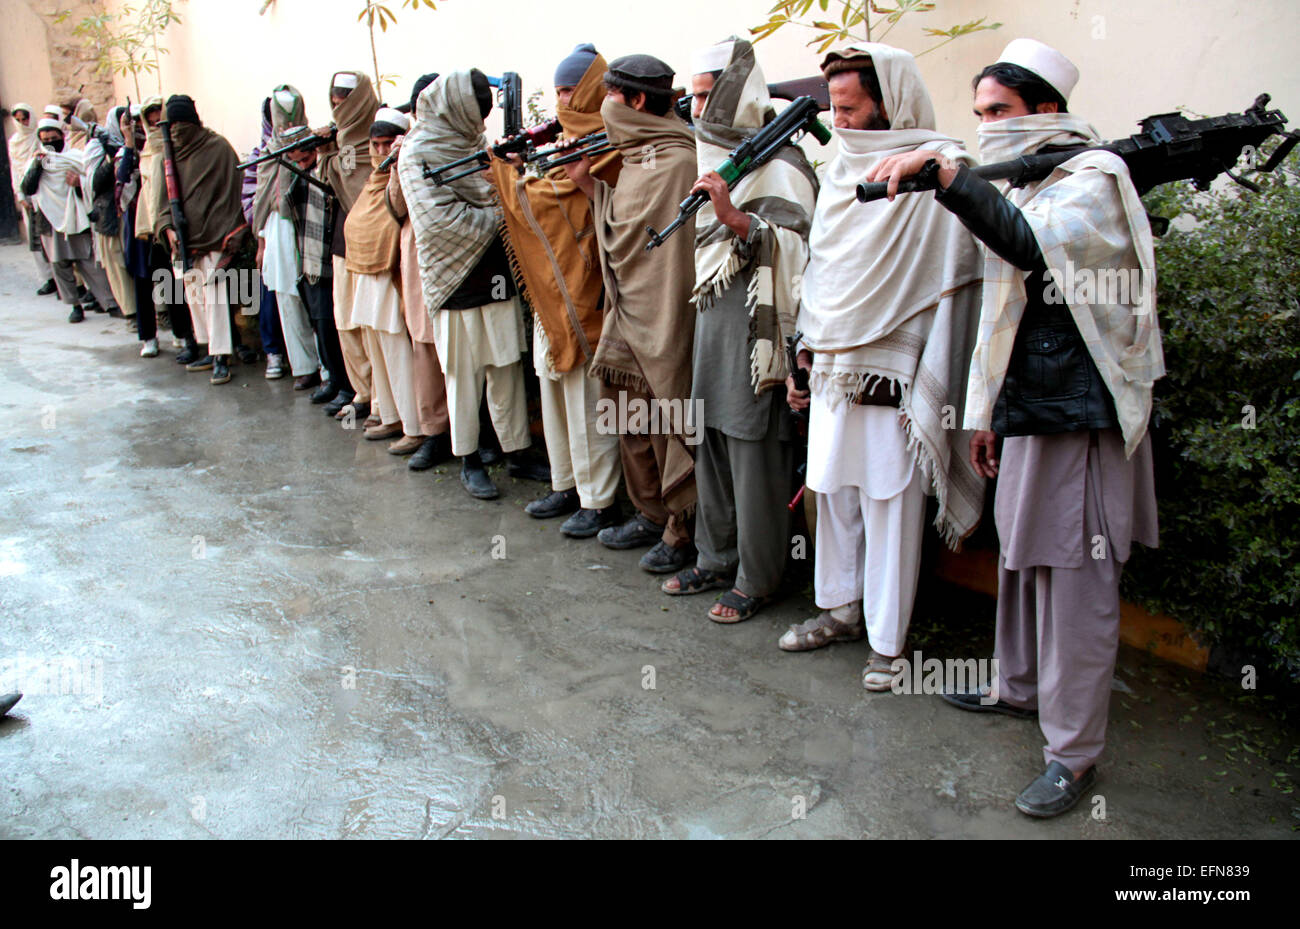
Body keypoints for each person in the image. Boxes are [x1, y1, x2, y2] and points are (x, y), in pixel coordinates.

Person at [876, 39, 1163, 818]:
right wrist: (987, 413)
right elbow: (1004, 315)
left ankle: (1073, 755)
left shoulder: (1095, 180)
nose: (988, 128)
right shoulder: (1036, 181)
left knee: (1075, 582)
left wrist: (945, 177)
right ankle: (1019, 686)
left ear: (1047, 111)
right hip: (1031, 407)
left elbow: (1030, 250)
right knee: (1022, 557)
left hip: (1083, 411)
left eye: (999, 113)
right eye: (978, 117)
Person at [778, 44, 986, 694]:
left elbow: (957, 274)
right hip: (834, 363)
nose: (837, 122)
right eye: (832, 107)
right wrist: (804, 348)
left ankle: (888, 645)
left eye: (849, 108)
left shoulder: (939, 166)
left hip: (897, 372)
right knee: (834, 495)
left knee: (890, 504)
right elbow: (824, 266)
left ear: (887, 105)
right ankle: (837, 608)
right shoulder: (840, 170)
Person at [657, 37, 815, 621]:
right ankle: (714, 556)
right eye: (693, 98)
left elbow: (797, 249)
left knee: (754, 456)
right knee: (714, 442)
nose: (698, 109)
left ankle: (758, 576)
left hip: (757, 329)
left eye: (707, 96)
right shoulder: (716, 157)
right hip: (714, 321)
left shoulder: (784, 162)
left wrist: (733, 218)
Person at [563, 53, 699, 573]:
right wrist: (590, 187)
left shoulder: (680, 159)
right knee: (626, 413)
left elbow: (669, 250)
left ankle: (679, 527)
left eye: (611, 99)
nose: (606, 110)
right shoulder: (637, 154)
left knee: (668, 422)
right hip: (627, 309)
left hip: (665, 315)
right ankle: (647, 510)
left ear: (638, 101)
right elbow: (624, 230)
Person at [488, 43, 624, 536]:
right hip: (550, 291)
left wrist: (515, 179)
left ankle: (600, 500)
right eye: (559, 90)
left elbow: (561, 201)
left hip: (589, 289)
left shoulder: (612, 139)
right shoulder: (563, 140)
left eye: (571, 89)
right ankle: (565, 484)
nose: (564, 99)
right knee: (553, 390)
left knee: (588, 401)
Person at [397, 70, 549, 500]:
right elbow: (437, 223)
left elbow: (502, 189)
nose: (481, 123)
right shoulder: (416, 152)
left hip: (495, 274)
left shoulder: (469, 143)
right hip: (454, 279)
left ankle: (517, 451)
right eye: (476, 112)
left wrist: (503, 189)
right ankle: (468, 458)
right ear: (458, 107)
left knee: (506, 366)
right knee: (463, 375)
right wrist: (501, 213)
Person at [342, 107, 427, 453]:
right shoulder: (372, 179)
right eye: (374, 145)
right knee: (377, 349)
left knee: (397, 351)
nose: (380, 151)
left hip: (391, 276)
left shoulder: (403, 174)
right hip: (366, 274)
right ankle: (390, 416)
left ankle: (415, 426)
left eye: (386, 143)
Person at [150, 95, 249, 385]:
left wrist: (230, 230)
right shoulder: (166, 157)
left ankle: (221, 356)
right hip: (183, 240)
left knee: (215, 297)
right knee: (195, 297)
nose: (179, 130)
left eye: (184, 123)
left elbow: (234, 192)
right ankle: (208, 346)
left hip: (217, 235)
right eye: (174, 124)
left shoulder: (217, 148)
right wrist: (167, 228)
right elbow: (161, 202)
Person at [387, 73, 454, 471]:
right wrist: (398, 164)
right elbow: (396, 207)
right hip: (417, 253)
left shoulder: (463, 140)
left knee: (462, 351)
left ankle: (475, 437)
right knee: (425, 345)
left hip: (457, 256)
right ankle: (434, 433)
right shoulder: (408, 149)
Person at [318, 70, 379, 424]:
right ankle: (363, 392)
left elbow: (366, 194)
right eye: (335, 103)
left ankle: (382, 399)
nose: (339, 109)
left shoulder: (378, 136)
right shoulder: (339, 143)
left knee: (372, 325)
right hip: (343, 241)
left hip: (371, 244)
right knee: (346, 321)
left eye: (346, 103)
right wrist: (328, 152)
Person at [253, 85, 323, 392]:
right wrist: (262, 242)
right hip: (278, 230)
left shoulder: (317, 144)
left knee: (316, 299)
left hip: (309, 225)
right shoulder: (267, 153)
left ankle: (327, 367)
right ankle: (304, 366)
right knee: (287, 298)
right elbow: (263, 196)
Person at [20, 115, 120, 324]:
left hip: (77, 217)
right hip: (50, 221)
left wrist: (77, 183)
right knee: (60, 266)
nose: (49, 143)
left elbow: (90, 183)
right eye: (45, 139)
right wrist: (39, 165)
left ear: (62, 136)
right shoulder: (37, 161)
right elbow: (28, 188)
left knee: (90, 263)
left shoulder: (75, 157)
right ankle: (74, 305)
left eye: (53, 138)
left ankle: (109, 302)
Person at [128, 97, 200, 363]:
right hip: (146, 225)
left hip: (171, 223)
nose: (157, 122)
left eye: (161, 116)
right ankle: (148, 337)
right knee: (145, 281)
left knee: (174, 282)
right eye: (151, 118)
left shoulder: (176, 148)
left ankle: (184, 334)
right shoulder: (146, 150)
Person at [241, 97, 289, 377]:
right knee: (270, 294)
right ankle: (273, 353)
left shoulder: (303, 146)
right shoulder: (260, 155)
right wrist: (261, 240)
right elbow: (252, 198)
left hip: (295, 230)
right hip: (268, 234)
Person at [7, 102, 56, 295]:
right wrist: (20, 195)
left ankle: (61, 278)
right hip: (26, 194)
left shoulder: (39, 137)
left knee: (49, 237)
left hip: (42, 192)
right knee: (34, 239)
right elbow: (15, 170)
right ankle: (47, 277)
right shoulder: (14, 142)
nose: (22, 122)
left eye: (24, 118)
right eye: (18, 120)